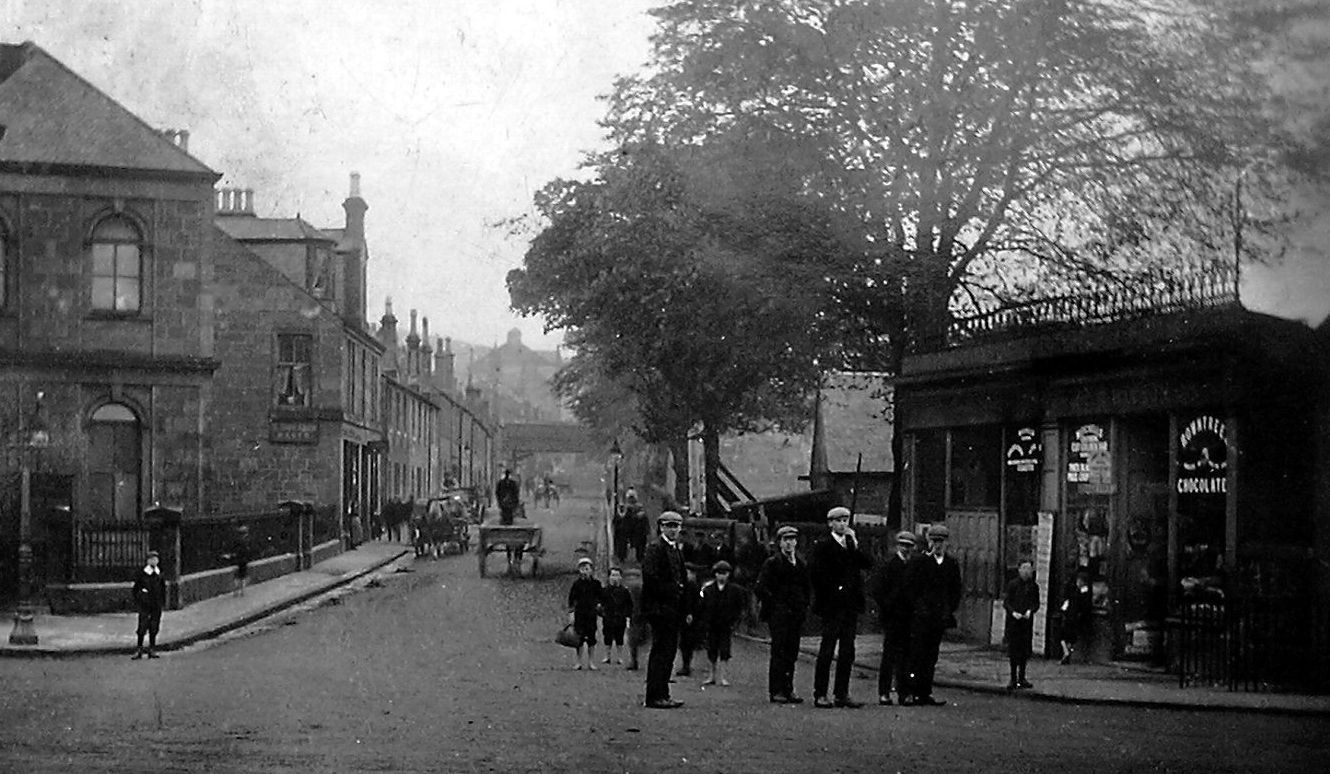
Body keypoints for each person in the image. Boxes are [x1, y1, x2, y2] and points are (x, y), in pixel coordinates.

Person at [809, 506, 874, 708]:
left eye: (846, 520)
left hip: (850, 606)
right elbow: (817, 576)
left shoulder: (850, 545)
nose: (843, 524)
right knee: (827, 650)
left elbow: (868, 563)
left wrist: (855, 544)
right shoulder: (823, 546)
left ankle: (841, 693)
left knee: (848, 651)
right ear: (830, 523)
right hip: (832, 606)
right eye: (839, 521)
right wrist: (831, 594)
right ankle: (820, 693)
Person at [902, 524, 963, 706]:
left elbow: (955, 590)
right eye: (935, 541)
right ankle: (910, 691)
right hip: (921, 616)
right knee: (916, 655)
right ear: (929, 542)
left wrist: (949, 608)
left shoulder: (951, 564)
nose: (938, 545)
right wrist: (917, 608)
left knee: (931, 656)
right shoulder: (919, 561)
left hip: (939, 617)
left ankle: (925, 692)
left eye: (941, 541)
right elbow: (910, 587)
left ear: (946, 543)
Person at [755, 525, 812, 704]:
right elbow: (760, 587)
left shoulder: (801, 564)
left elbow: (806, 588)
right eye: (785, 540)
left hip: (795, 614)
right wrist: (775, 604)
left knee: (791, 652)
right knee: (779, 651)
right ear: (779, 543)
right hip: (779, 615)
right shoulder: (772, 563)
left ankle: (789, 688)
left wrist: (803, 605)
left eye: (792, 540)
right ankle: (776, 690)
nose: (789, 543)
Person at [641, 510, 688, 709]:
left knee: (668, 653)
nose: (673, 530)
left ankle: (663, 694)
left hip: (672, 610)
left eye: (676, 526)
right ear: (661, 527)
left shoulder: (675, 549)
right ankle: (654, 696)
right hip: (660, 609)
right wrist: (674, 589)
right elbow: (650, 579)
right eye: (669, 526)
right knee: (661, 652)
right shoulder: (655, 548)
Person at [870, 530, 917, 705]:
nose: (906, 549)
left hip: (909, 617)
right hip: (892, 617)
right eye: (903, 545)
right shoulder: (889, 565)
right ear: (898, 546)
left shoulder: (914, 566)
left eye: (909, 546)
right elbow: (877, 590)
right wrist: (888, 606)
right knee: (889, 655)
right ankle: (884, 692)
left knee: (906, 656)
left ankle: (904, 692)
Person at [697, 560, 747, 687]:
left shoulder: (735, 590)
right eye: (719, 573)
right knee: (711, 649)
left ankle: (723, 676)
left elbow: (739, 607)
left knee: (725, 650)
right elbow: (702, 607)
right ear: (715, 574)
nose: (722, 576)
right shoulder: (708, 590)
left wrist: (735, 622)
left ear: (728, 575)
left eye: (724, 573)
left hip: (726, 624)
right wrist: (703, 621)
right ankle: (711, 675)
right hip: (712, 624)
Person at [1004, 559, 1040, 689]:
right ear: (1019, 570)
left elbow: (1036, 603)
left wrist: (1030, 611)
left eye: (1029, 569)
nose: (1026, 572)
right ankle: (1013, 678)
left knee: (1024, 651)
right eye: (1024, 568)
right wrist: (1014, 613)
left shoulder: (1034, 586)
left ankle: (1022, 677)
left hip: (1026, 623)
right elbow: (1007, 602)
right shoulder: (1013, 585)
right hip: (1014, 623)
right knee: (1014, 650)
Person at [567, 557, 603, 670]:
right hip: (580, 613)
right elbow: (571, 599)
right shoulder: (576, 584)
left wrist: (599, 605)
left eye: (587, 568)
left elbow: (601, 596)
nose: (585, 571)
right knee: (579, 639)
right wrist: (571, 613)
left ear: (591, 570)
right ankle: (578, 661)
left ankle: (591, 661)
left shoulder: (596, 584)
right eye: (582, 568)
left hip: (591, 614)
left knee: (592, 638)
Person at [131, 549, 167, 660]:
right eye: (151, 559)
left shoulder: (159, 574)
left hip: (156, 604)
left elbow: (163, 589)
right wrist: (141, 597)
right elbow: (135, 589)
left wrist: (162, 603)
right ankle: (139, 649)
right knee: (142, 626)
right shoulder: (142, 574)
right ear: (147, 561)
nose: (154, 561)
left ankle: (152, 649)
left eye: (155, 559)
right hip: (144, 604)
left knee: (154, 626)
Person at [600, 566, 633, 665]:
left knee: (619, 637)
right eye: (613, 575)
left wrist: (627, 615)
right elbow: (600, 603)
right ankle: (607, 656)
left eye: (617, 575)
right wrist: (602, 613)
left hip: (620, 617)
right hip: (608, 617)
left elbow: (629, 604)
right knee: (607, 636)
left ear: (621, 578)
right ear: (609, 577)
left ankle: (619, 657)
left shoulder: (625, 591)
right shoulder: (605, 590)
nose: (615, 578)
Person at [1059, 571, 1093, 665]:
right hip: (1077, 617)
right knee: (1070, 638)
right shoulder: (1081, 591)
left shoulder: (1080, 592)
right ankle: (1067, 653)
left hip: (1073, 616)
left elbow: (1080, 604)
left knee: (1063, 635)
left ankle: (1066, 652)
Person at [675, 566, 701, 678]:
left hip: (688, 617)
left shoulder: (690, 585)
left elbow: (690, 601)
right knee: (685, 642)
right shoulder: (690, 584)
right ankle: (686, 665)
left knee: (686, 642)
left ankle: (686, 666)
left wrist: (689, 613)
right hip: (686, 616)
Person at [231, 524, 252, 597]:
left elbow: (234, 550)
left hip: (237, 560)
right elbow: (247, 551)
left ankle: (236, 590)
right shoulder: (246, 541)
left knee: (237, 575)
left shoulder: (237, 541)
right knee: (243, 576)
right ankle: (242, 591)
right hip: (243, 560)